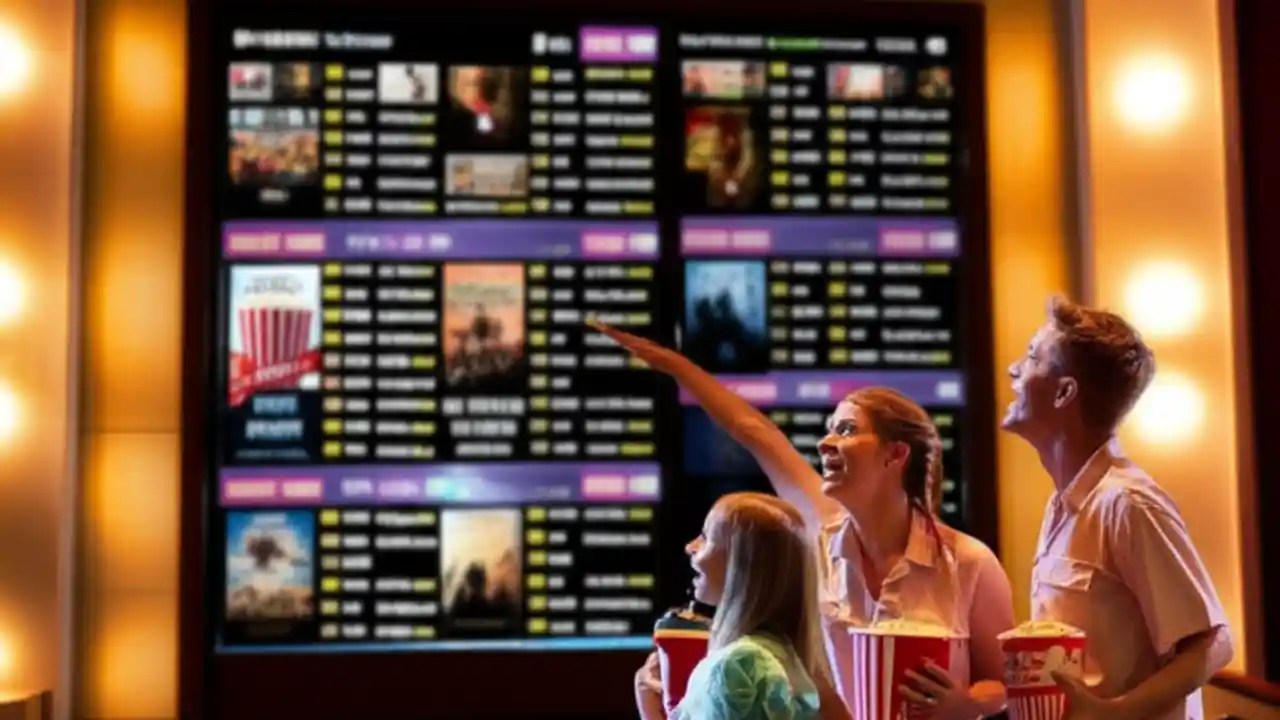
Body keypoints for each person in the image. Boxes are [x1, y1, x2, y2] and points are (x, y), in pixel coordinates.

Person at [594, 320, 1014, 719]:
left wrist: (966, 703)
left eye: (846, 430)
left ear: (895, 454)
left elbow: (1005, 681)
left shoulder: (968, 562)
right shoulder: (820, 528)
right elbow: (752, 429)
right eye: (829, 429)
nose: (826, 442)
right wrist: (673, 364)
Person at [1003, 296, 1232, 720]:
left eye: (1032, 356)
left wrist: (1115, 713)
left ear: (1065, 392)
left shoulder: (1127, 503)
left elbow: (1213, 644)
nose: (1013, 369)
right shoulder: (1063, 504)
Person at [634, 492, 849, 720]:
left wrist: (649, 711)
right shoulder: (798, 663)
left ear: (742, 564)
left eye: (706, 537)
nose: (691, 547)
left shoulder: (738, 665)